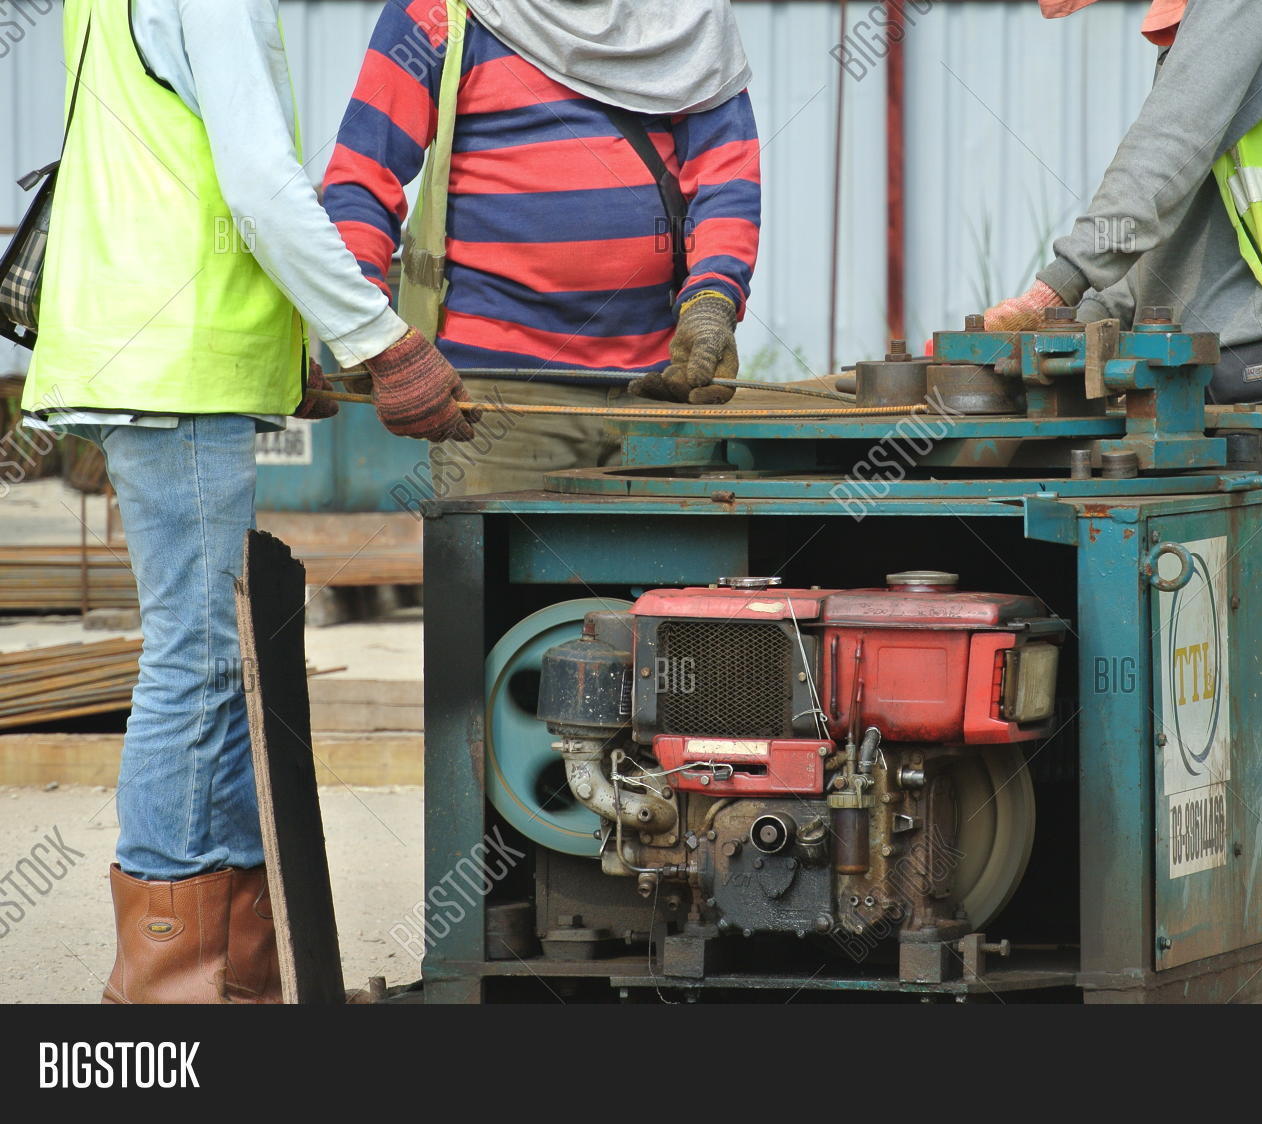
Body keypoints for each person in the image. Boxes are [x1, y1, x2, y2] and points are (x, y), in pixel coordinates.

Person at [20, 0, 473, 1003]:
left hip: (154, 348)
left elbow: (167, 172)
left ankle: (236, 974)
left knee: (218, 663)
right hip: (174, 360)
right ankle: (166, 985)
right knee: (194, 658)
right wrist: (378, 338)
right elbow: (262, 188)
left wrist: (288, 347)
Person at [986, 0, 1262, 775]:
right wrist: (1092, 309)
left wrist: (1058, 287)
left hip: (1255, 356)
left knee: (1212, 569)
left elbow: (1168, 153)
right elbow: (1196, 198)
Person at [322, 0, 761, 497]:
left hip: (664, 388)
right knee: (499, 551)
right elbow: (363, 177)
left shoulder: (687, 15)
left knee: (672, 554)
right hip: (501, 397)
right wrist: (367, 329)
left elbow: (727, 179)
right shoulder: (440, 11)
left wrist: (712, 302)